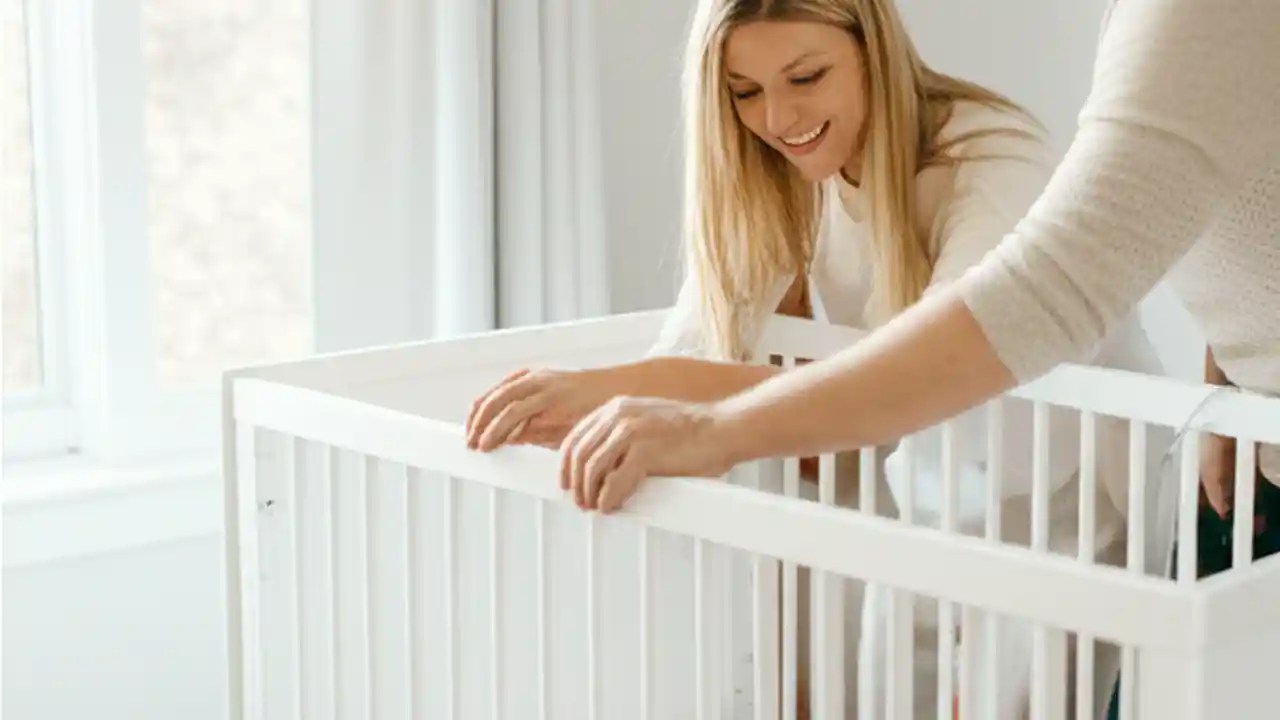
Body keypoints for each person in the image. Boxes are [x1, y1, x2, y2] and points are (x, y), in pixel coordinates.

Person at [466, 0, 1176, 715]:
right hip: (927, 495)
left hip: (1066, 497)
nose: (777, 118)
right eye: (745, 92)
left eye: (804, 76)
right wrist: (595, 393)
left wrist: (652, 399)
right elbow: (693, 345)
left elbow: (941, 370)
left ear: (872, 50)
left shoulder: (990, 158)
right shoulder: (793, 172)